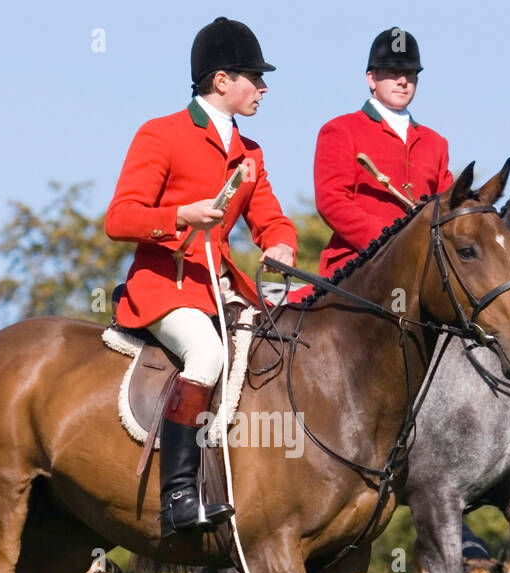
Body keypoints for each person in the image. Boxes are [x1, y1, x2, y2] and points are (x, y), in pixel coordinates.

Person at [105, 17, 297, 539]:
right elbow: (119, 217)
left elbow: (271, 219)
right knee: (207, 356)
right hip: (164, 286)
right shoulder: (160, 133)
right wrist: (180, 217)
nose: (263, 87)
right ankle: (179, 496)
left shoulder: (250, 151)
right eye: (253, 77)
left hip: (221, 287)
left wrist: (280, 244)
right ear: (220, 81)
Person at [313, 27, 453, 277]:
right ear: (371, 78)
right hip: (357, 267)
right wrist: (387, 242)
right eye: (393, 72)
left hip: (421, 270)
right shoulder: (340, 130)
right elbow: (331, 201)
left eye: (409, 73)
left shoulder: (436, 143)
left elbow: (448, 208)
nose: (402, 81)